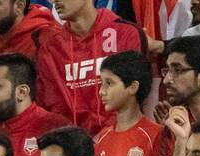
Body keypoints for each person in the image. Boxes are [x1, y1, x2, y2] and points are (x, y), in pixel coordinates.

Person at [33, 0, 143, 135]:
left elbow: (131, 97)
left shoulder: (126, 33)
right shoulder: (50, 48)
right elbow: (54, 106)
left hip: (120, 137)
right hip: (73, 145)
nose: (55, 1)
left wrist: (105, 138)